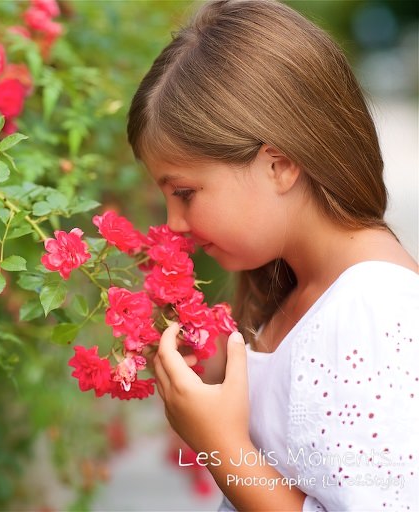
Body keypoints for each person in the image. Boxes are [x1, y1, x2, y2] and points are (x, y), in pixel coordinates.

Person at [126, 0, 419, 510]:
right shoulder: (302, 292)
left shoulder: (374, 312)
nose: (173, 223)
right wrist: (218, 380)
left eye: (186, 192)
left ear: (279, 166)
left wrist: (221, 448)